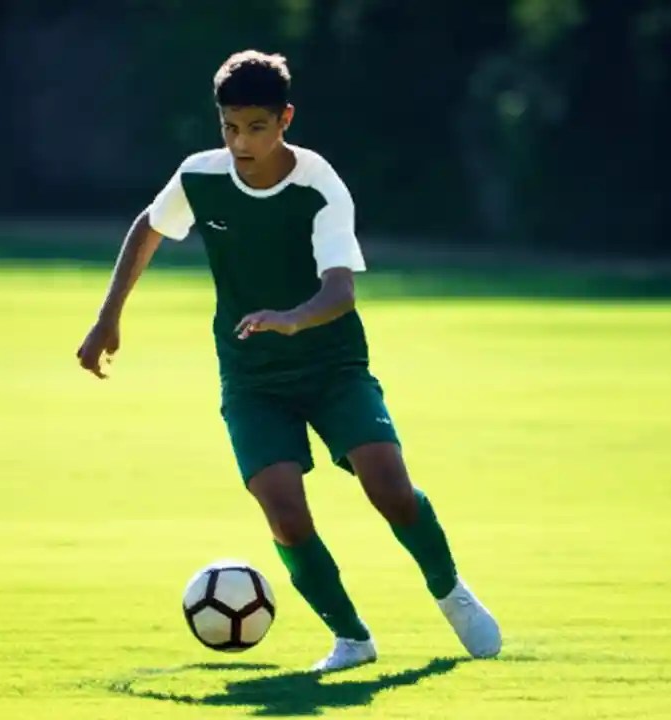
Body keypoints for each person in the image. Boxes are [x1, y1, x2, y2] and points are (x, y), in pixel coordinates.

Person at [76, 49, 501, 672]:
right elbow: (149, 226)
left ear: (285, 120)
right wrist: (108, 315)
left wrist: (290, 318)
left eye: (255, 126)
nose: (240, 141)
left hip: (332, 367)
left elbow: (340, 290)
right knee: (283, 507)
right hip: (252, 378)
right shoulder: (201, 175)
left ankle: (451, 592)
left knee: (388, 487)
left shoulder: (318, 185)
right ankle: (352, 638)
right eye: (228, 126)